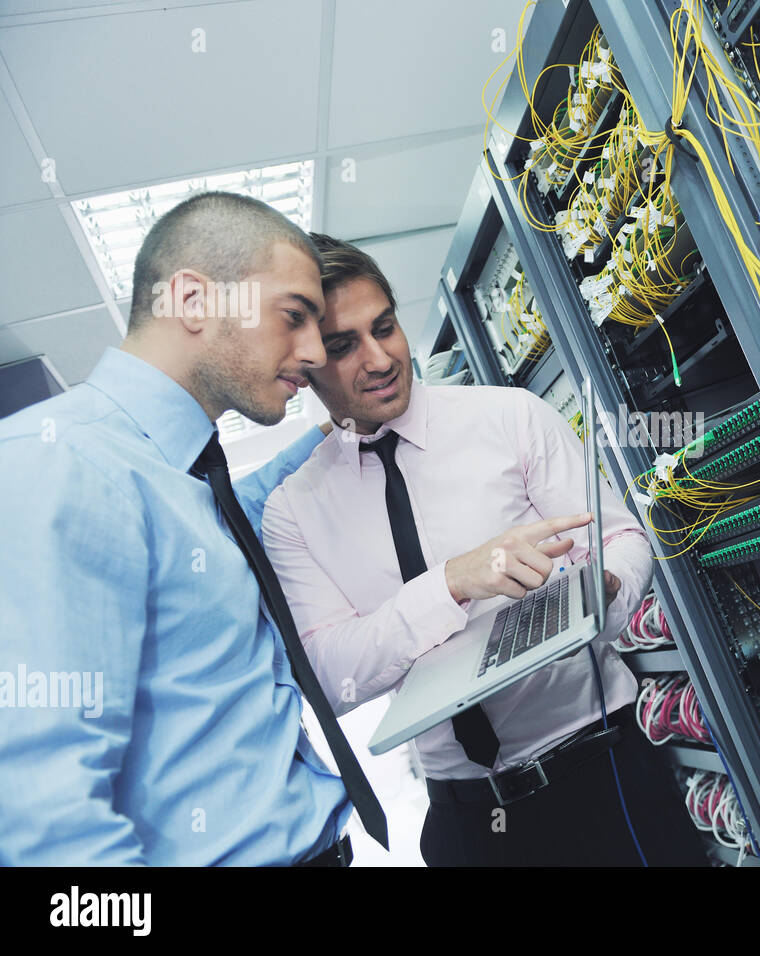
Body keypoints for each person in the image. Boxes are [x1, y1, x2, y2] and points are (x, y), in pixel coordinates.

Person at [261, 234, 708, 866]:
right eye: (343, 346)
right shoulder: (294, 511)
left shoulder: (510, 418)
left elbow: (622, 538)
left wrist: (604, 588)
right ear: (304, 363)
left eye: (384, 328)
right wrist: (451, 584)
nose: (379, 357)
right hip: (465, 817)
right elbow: (333, 680)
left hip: (602, 767)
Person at [0, 193, 385, 866]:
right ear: (193, 300)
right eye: (294, 317)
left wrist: (333, 430)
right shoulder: (60, 462)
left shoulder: (175, 475)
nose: (316, 353)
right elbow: (43, 822)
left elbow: (232, 515)